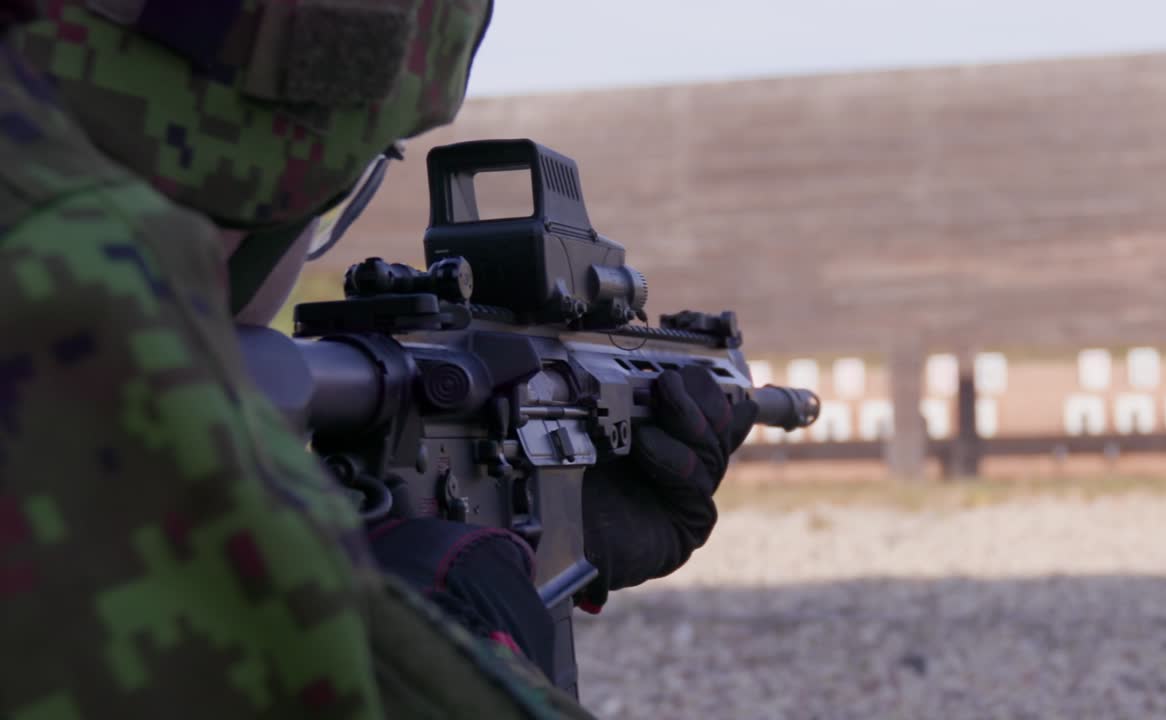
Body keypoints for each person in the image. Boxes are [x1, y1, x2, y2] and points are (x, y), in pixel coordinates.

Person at [0, 1, 757, 718]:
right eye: (339, 191)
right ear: (259, 168)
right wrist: (461, 634)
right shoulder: (64, 309)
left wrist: (554, 542)